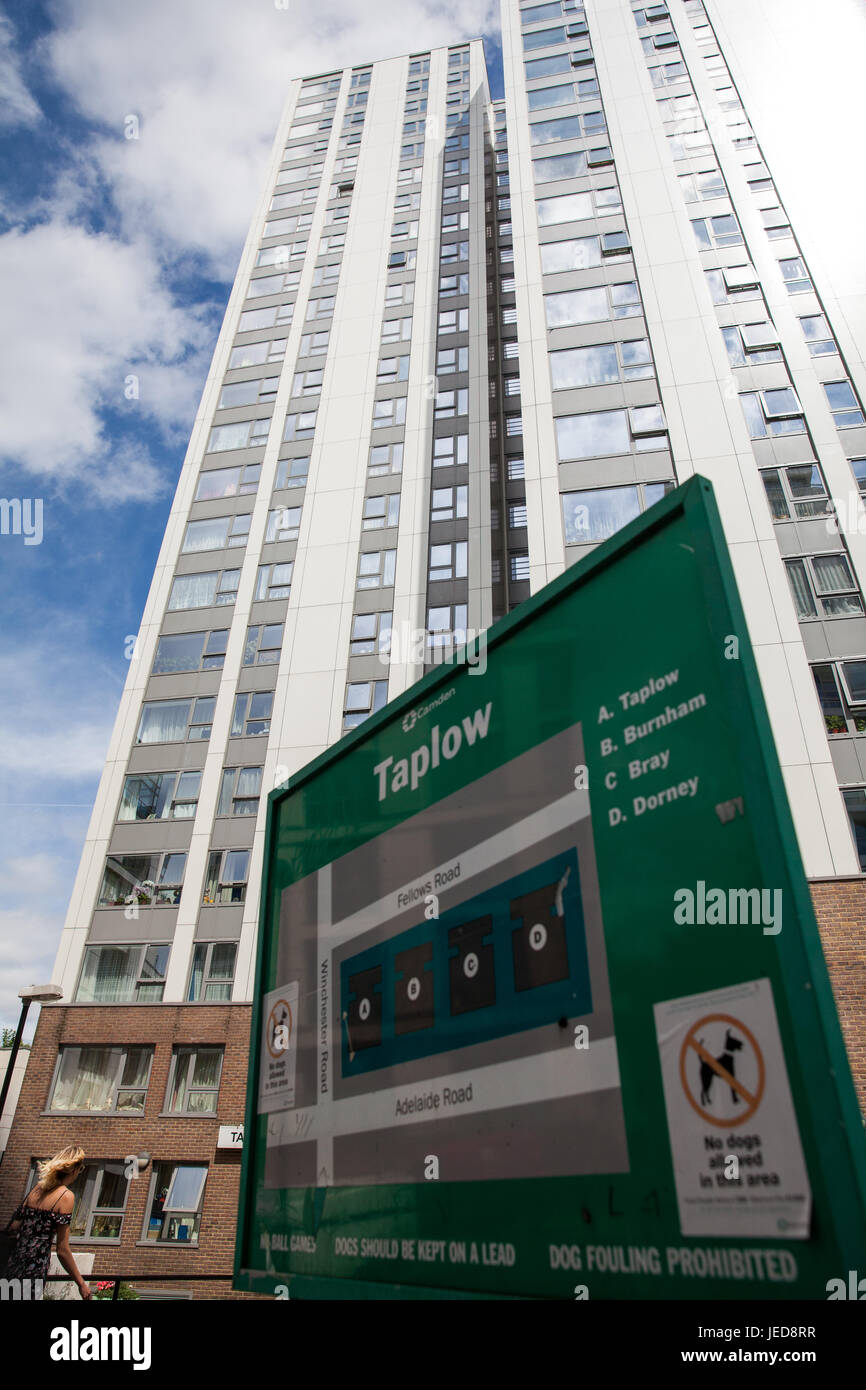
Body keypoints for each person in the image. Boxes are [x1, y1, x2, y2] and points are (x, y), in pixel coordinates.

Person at [5, 1145, 92, 1299]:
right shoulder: (66, 1196)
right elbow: (62, 1250)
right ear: (73, 1169)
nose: (79, 1173)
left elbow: (13, 1227)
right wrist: (81, 1283)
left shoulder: (37, 1189)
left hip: (13, 1263)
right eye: (80, 1169)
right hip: (34, 1269)